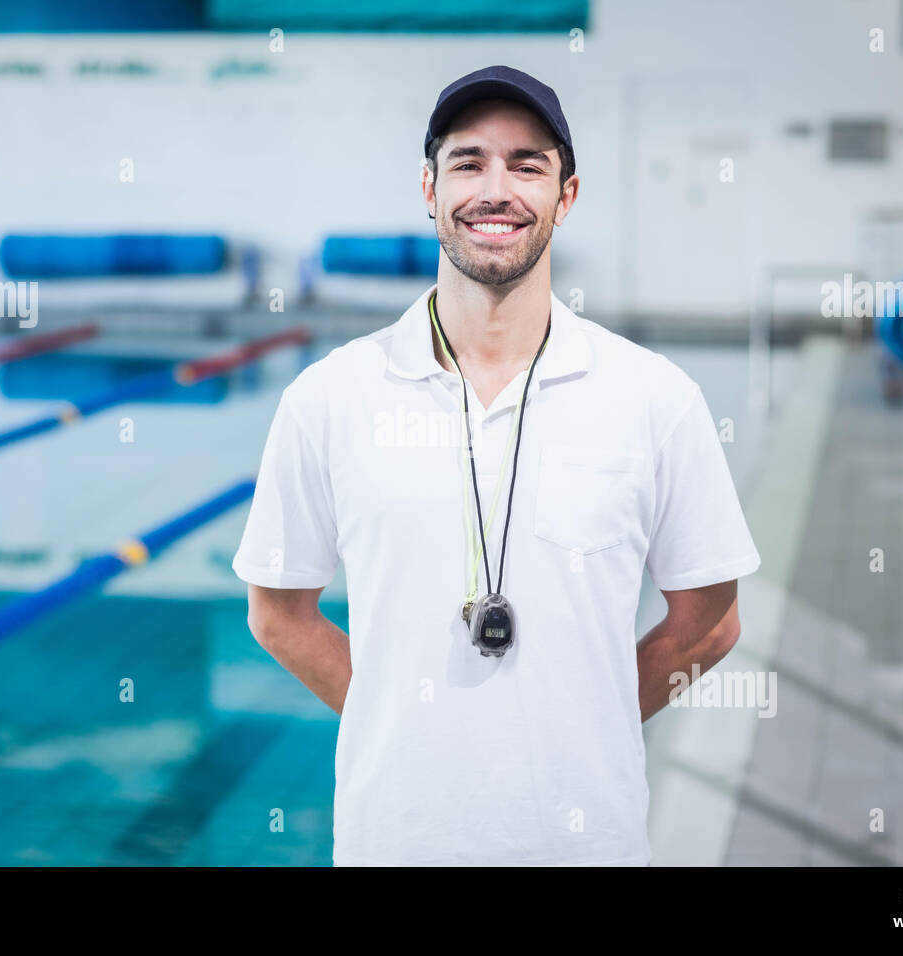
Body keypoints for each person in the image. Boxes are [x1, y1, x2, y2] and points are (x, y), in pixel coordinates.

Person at [232, 65, 761, 866]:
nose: (496, 189)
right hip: (394, 842)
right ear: (429, 187)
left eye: (527, 164)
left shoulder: (655, 398)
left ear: (567, 196)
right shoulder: (330, 397)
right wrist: (403, 723)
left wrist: (591, 724)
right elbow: (276, 614)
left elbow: (711, 622)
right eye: (469, 161)